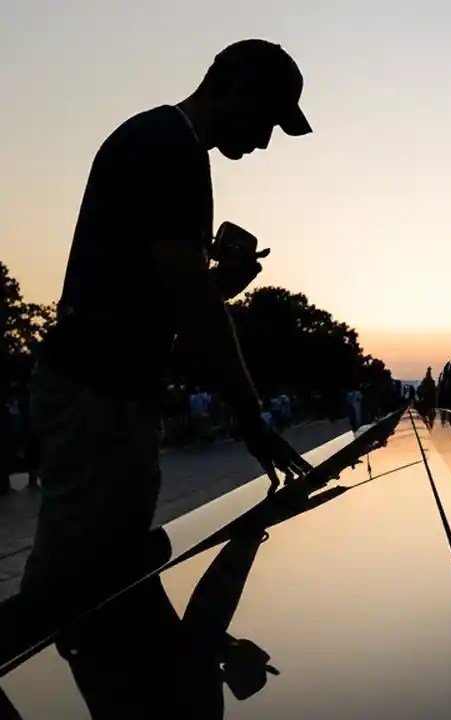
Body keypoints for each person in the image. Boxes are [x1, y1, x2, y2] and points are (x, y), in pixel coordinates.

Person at [22, 40, 315, 630]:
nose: (263, 142)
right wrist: (252, 418)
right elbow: (192, 307)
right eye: (267, 120)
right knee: (72, 576)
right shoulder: (172, 150)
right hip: (99, 393)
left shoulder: (157, 140)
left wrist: (217, 286)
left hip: (102, 386)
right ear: (232, 89)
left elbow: (164, 293)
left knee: (91, 564)